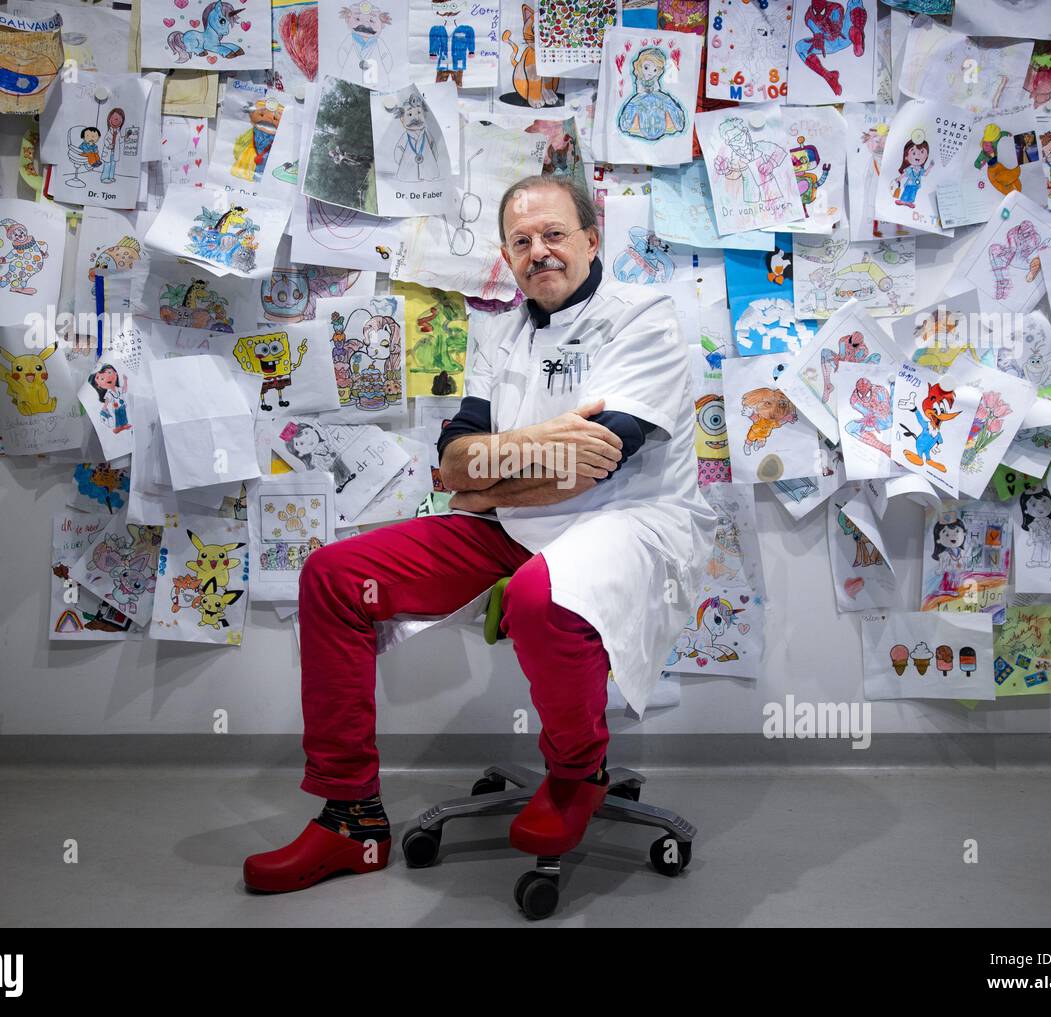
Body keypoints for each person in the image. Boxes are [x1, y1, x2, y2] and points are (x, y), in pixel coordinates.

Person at [242, 175, 717, 893]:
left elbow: (593, 467)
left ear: (593, 239)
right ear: (507, 253)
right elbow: (454, 460)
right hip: (512, 525)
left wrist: (488, 473)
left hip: (629, 522)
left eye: (555, 234)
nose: (539, 251)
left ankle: (576, 769)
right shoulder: (502, 331)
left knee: (542, 595)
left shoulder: (643, 318)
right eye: (522, 241)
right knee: (335, 576)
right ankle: (351, 819)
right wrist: (523, 456)